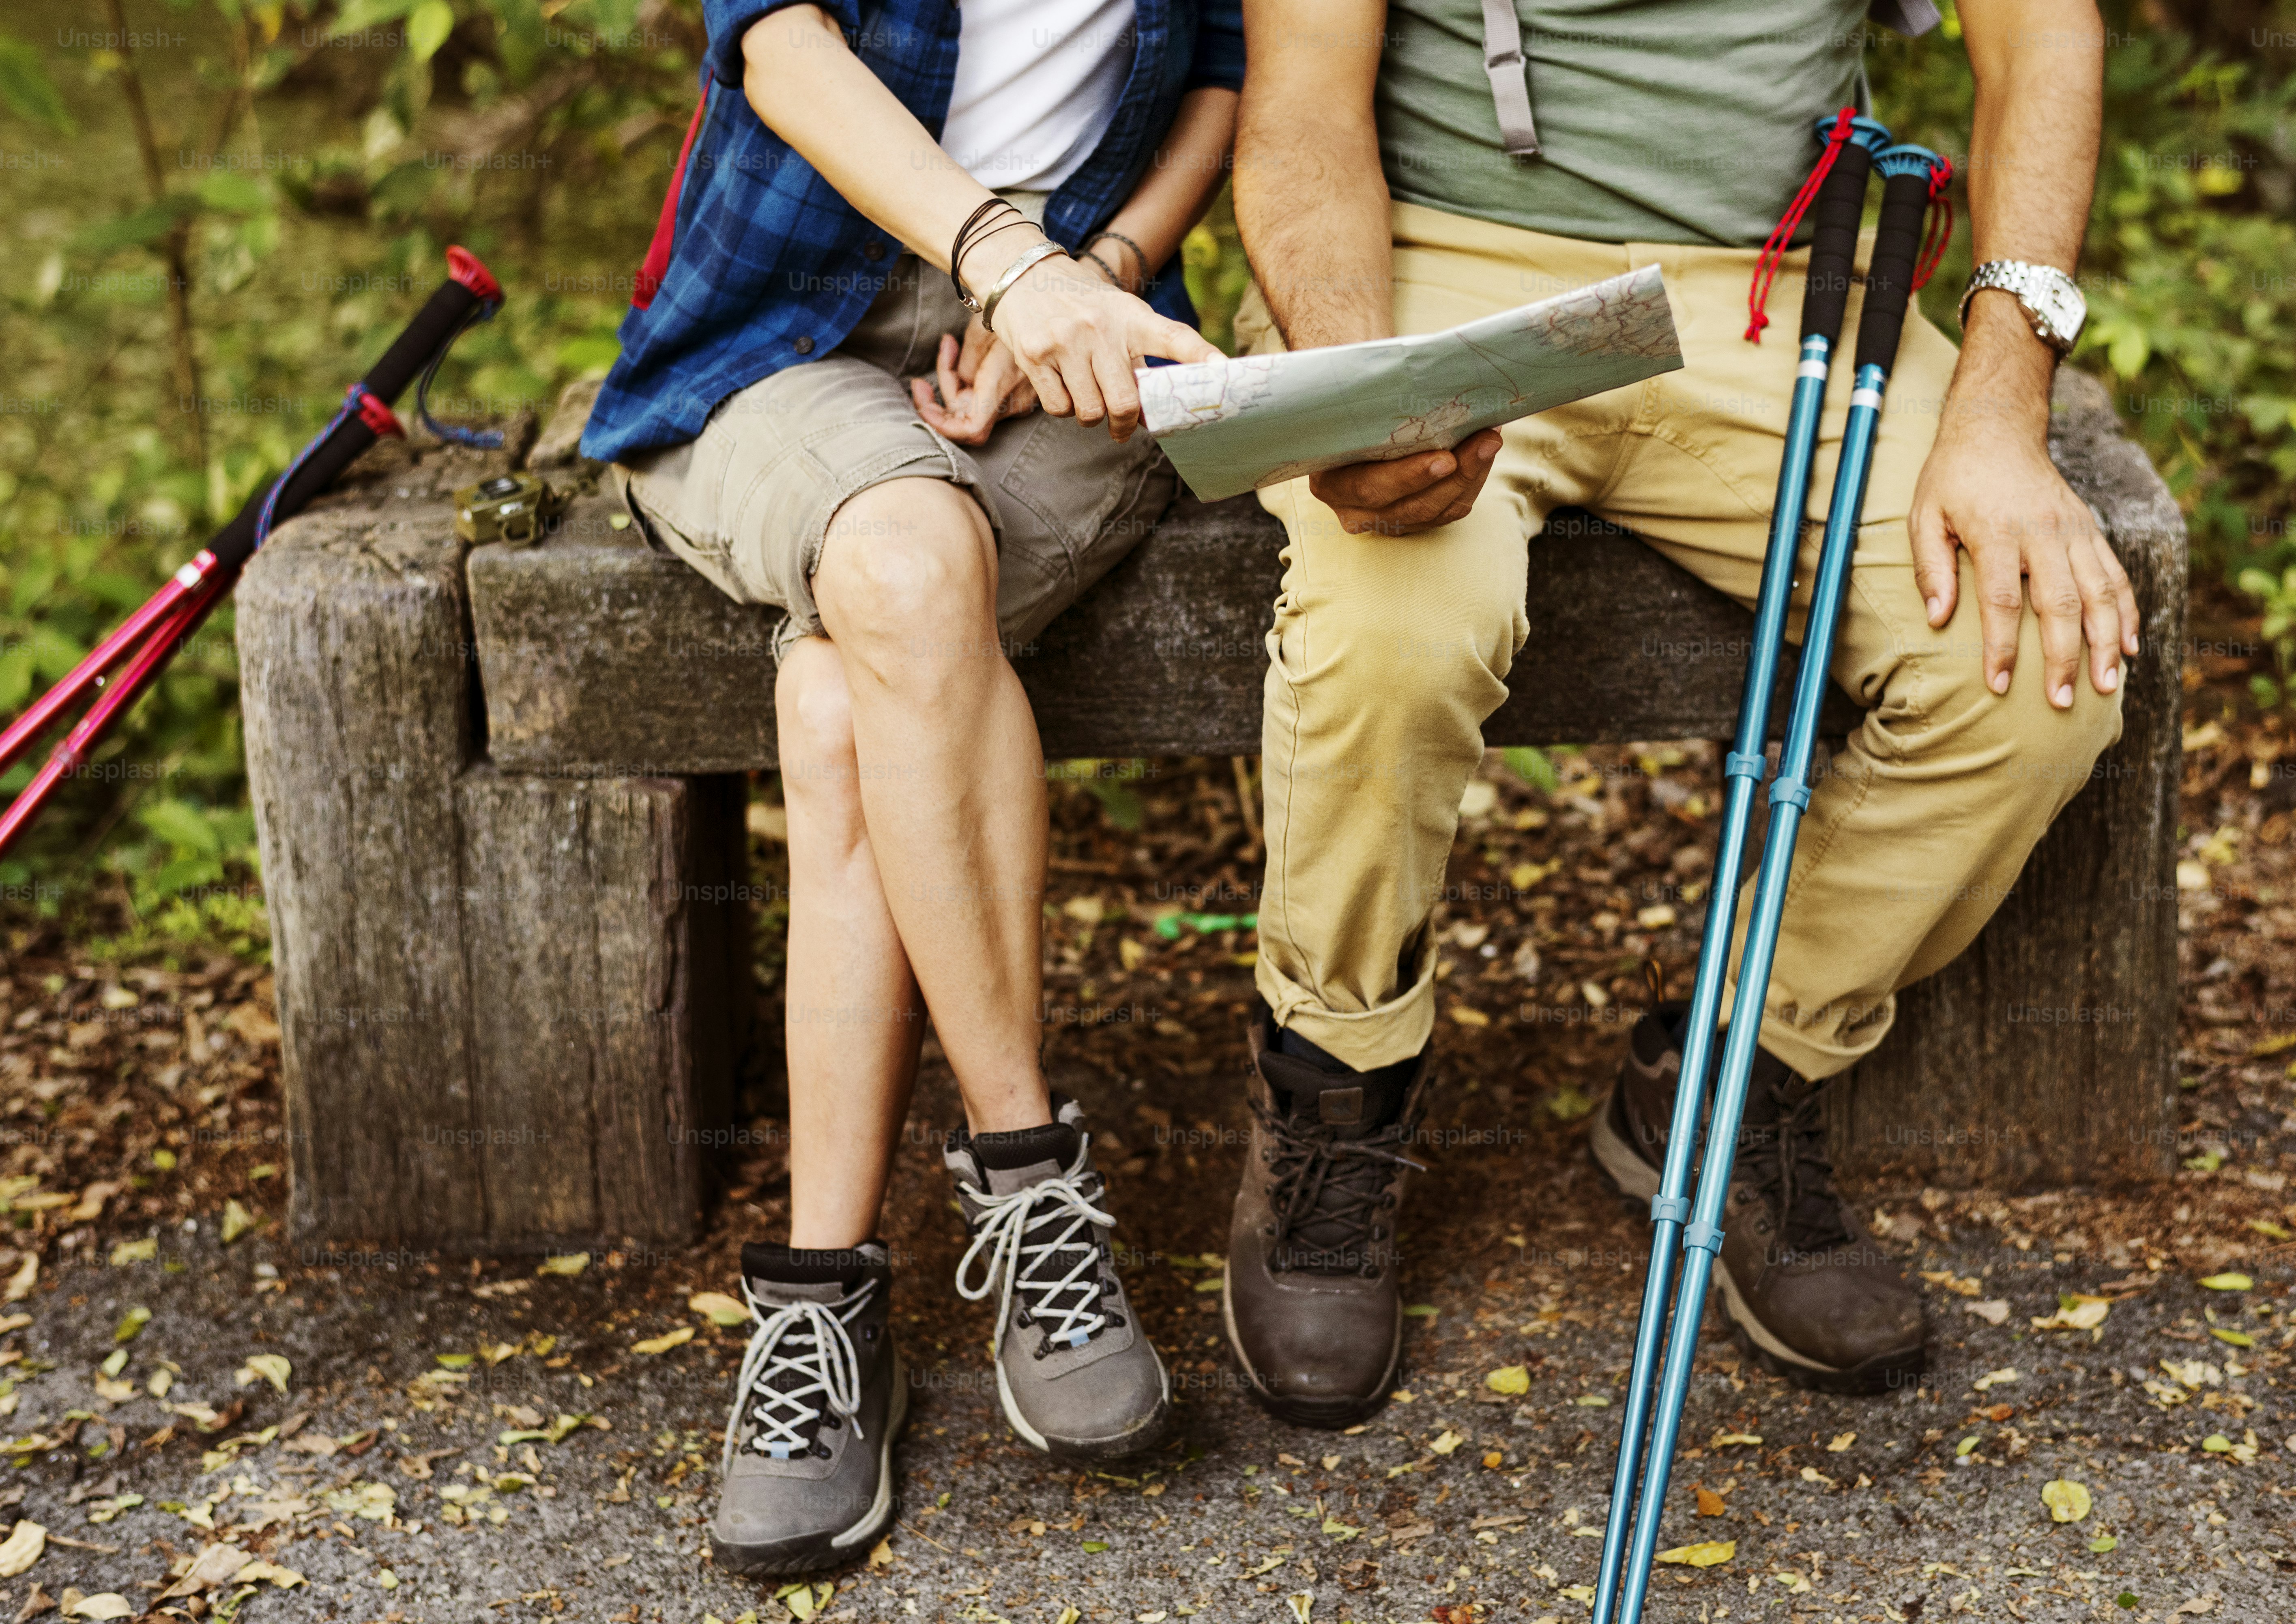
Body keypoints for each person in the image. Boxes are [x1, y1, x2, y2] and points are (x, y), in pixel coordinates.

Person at [1220, 0, 2138, 1420]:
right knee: (1389, 629)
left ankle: (1724, 1078)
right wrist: (1353, 369)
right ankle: (1334, 1082)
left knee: (2025, 664)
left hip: (1780, 286)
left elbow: (2038, 37)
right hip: (1426, 263)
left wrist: (2004, 410)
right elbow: (1297, 105)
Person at [579, 0, 1239, 1575]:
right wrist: (1005, 255)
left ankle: (823, 1296)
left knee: (835, 699)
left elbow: (1221, 74)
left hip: (1069, 354)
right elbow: (778, 45)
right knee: (898, 556)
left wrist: (1099, 280)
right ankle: (1034, 1181)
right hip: (776, 345)